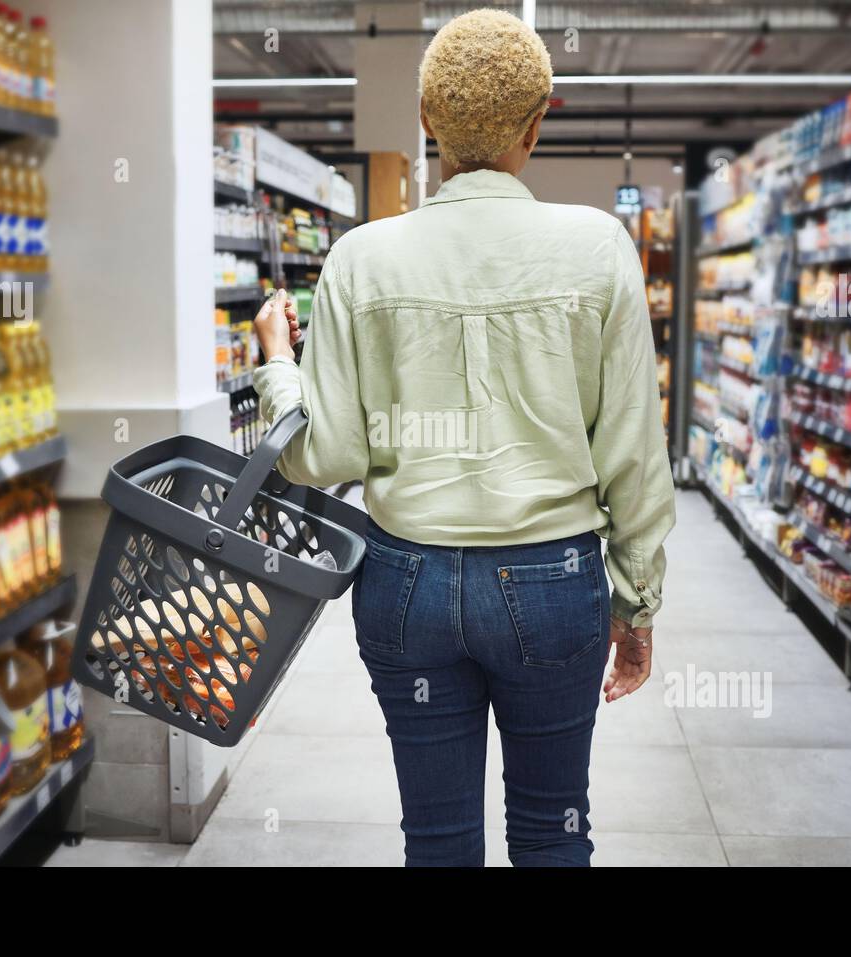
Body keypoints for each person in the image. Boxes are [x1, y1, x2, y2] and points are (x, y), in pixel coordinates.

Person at [250, 8, 676, 867]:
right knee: (554, 828)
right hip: (556, 581)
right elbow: (634, 453)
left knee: (437, 841)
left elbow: (324, 454)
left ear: (427, 121)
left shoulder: (361, 259)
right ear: (538, 120)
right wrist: (637, 600)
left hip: (405, 582)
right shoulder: (599, 248)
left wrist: (275, 364)